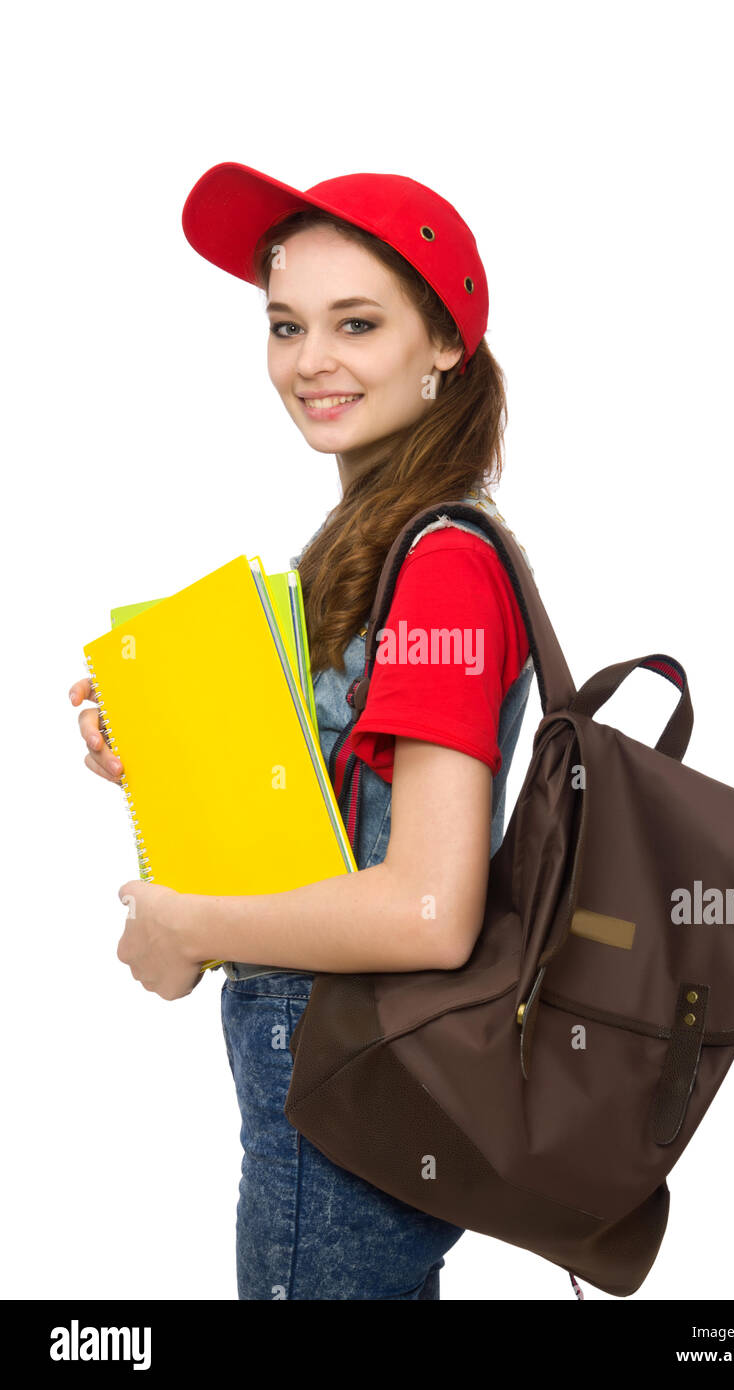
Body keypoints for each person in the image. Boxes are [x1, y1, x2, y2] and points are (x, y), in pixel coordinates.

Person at [68, 164, 535, 1300]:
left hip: (342, 1104)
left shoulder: (440, 567)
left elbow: (428, 909)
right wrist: (176, 760)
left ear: (443, 343)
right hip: (337, 1090)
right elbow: (338, 831)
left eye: (357, 323)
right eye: (286, 324)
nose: (308, 360)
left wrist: (186, 923)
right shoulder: (374, 547)